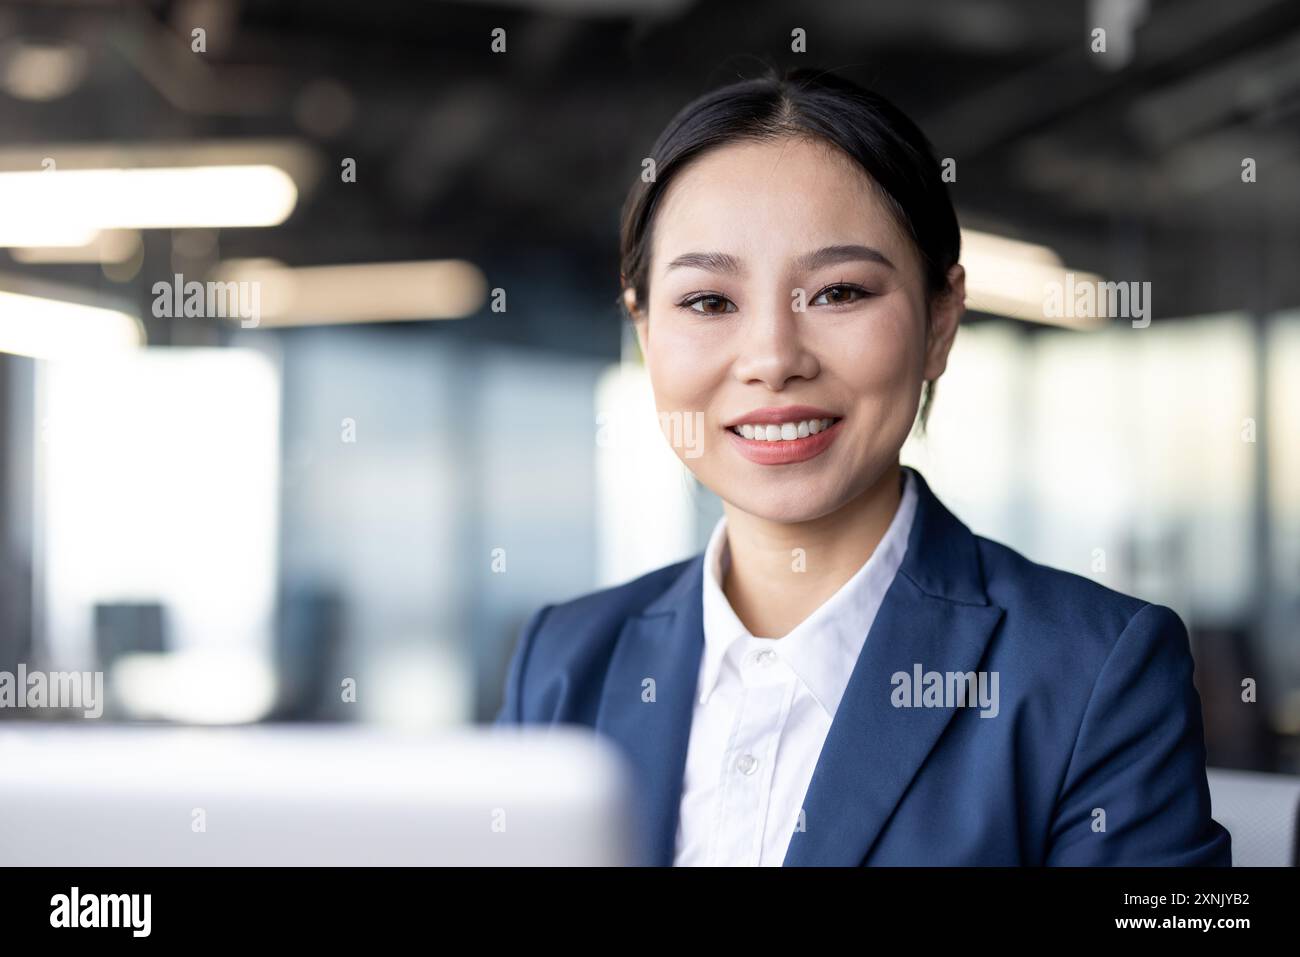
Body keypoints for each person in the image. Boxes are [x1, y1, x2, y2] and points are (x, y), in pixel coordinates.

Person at [496, 66, 1231, 867]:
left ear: (940, 320)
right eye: (709, 302)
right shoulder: (566, 660)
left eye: (840, 292)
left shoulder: (1094, 672)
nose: (774, 358)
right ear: (645, 333)